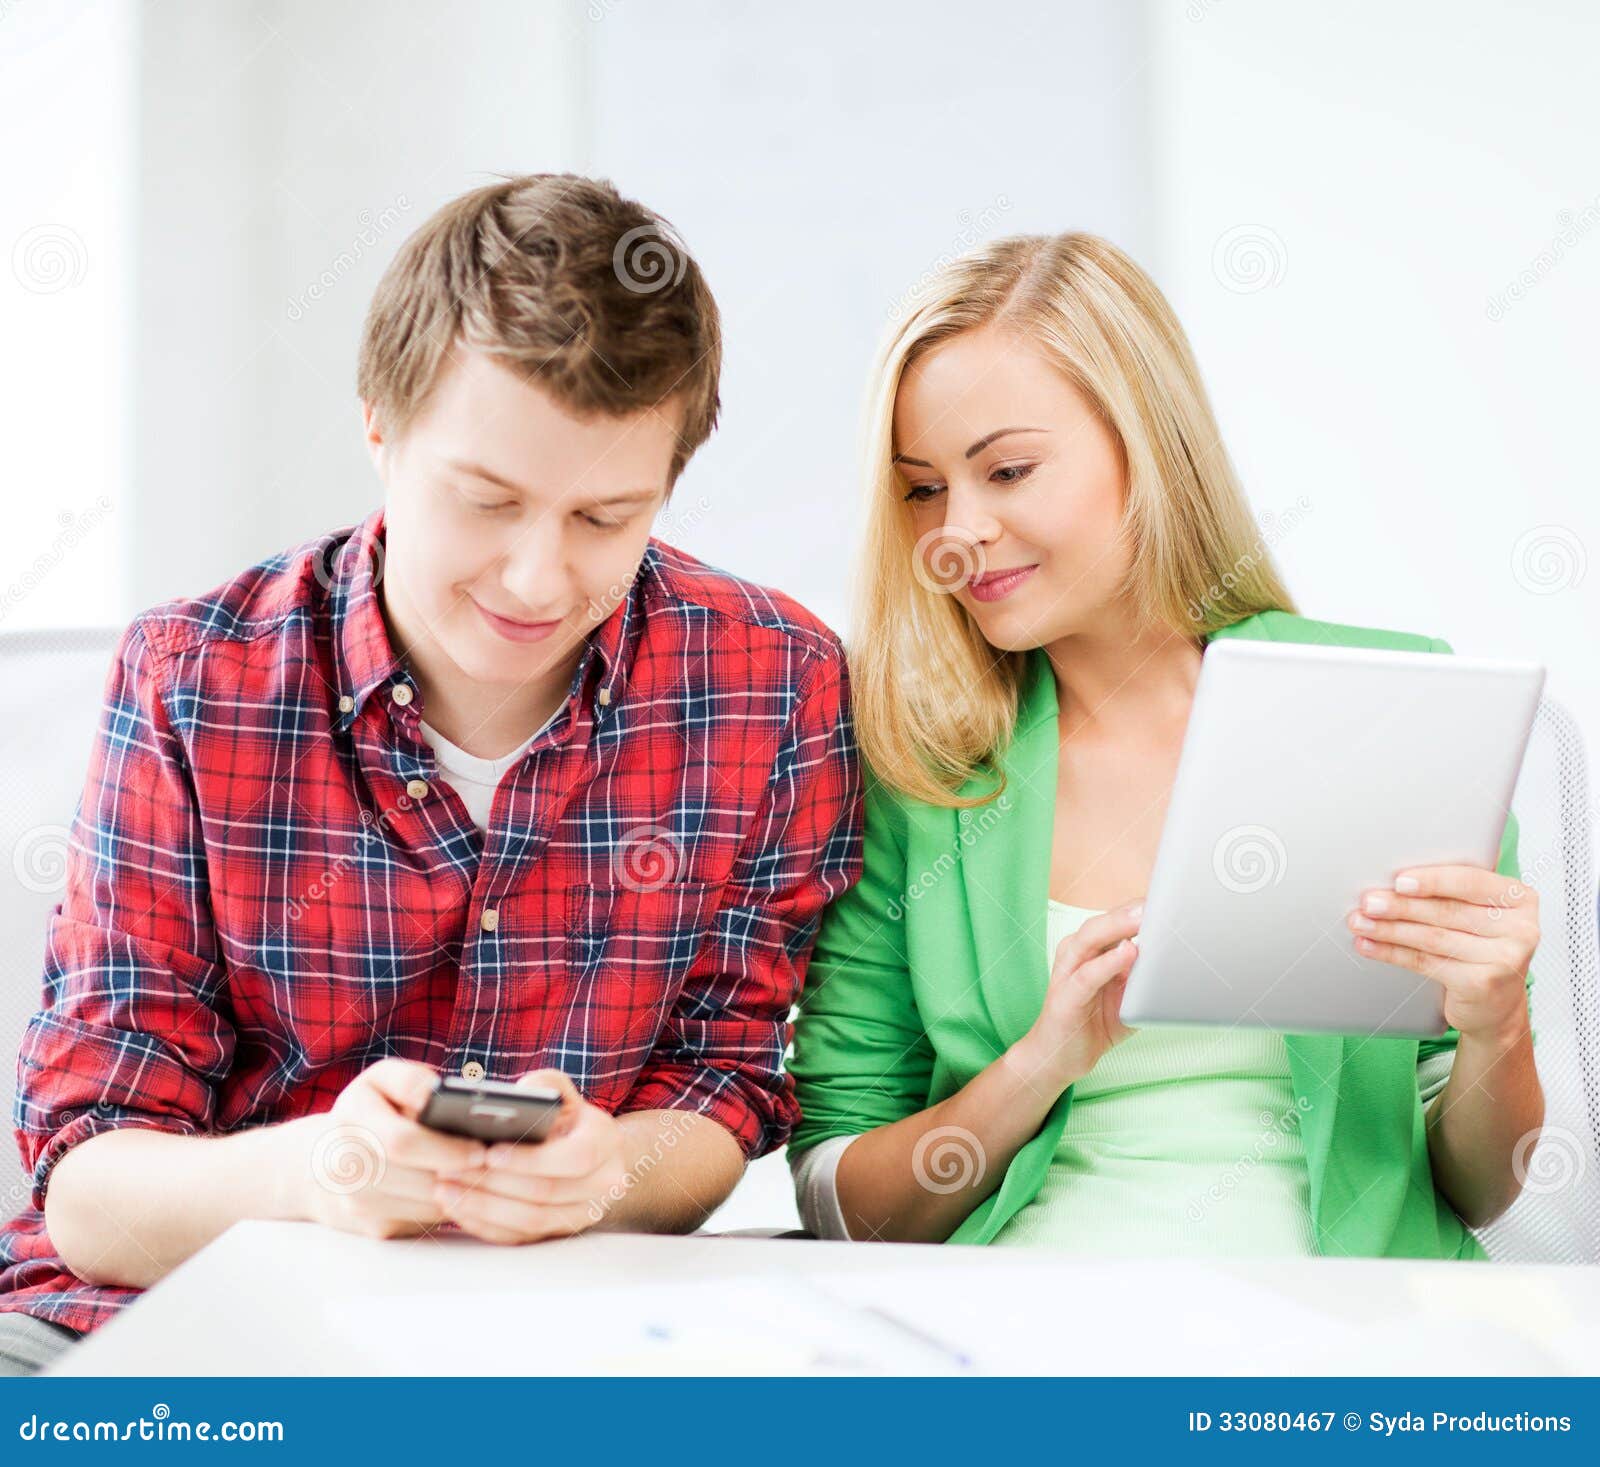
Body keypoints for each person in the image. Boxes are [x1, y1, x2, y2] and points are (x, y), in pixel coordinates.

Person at [0, 174, 863, 1374]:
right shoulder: (194, 680)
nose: (535, 579)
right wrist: (327, 1171)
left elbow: (726, 1078)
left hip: (570, 1328)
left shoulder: (772, 685)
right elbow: (90, 1188)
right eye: (486, 500)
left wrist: (608, 1174)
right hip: (166, 1315)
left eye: (605, 517)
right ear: (379, 427)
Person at [788, 231, 1542, 1256]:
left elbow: (1480, 1189)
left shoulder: (1376, 708)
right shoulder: (915, 770)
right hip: (1026, 1339)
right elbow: (845, 1207)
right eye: (923, 489)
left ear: (1147, 444)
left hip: (1346, 1341)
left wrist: (1497, 1023)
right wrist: (1036, 1067)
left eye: (1006, 470)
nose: (954, 532)